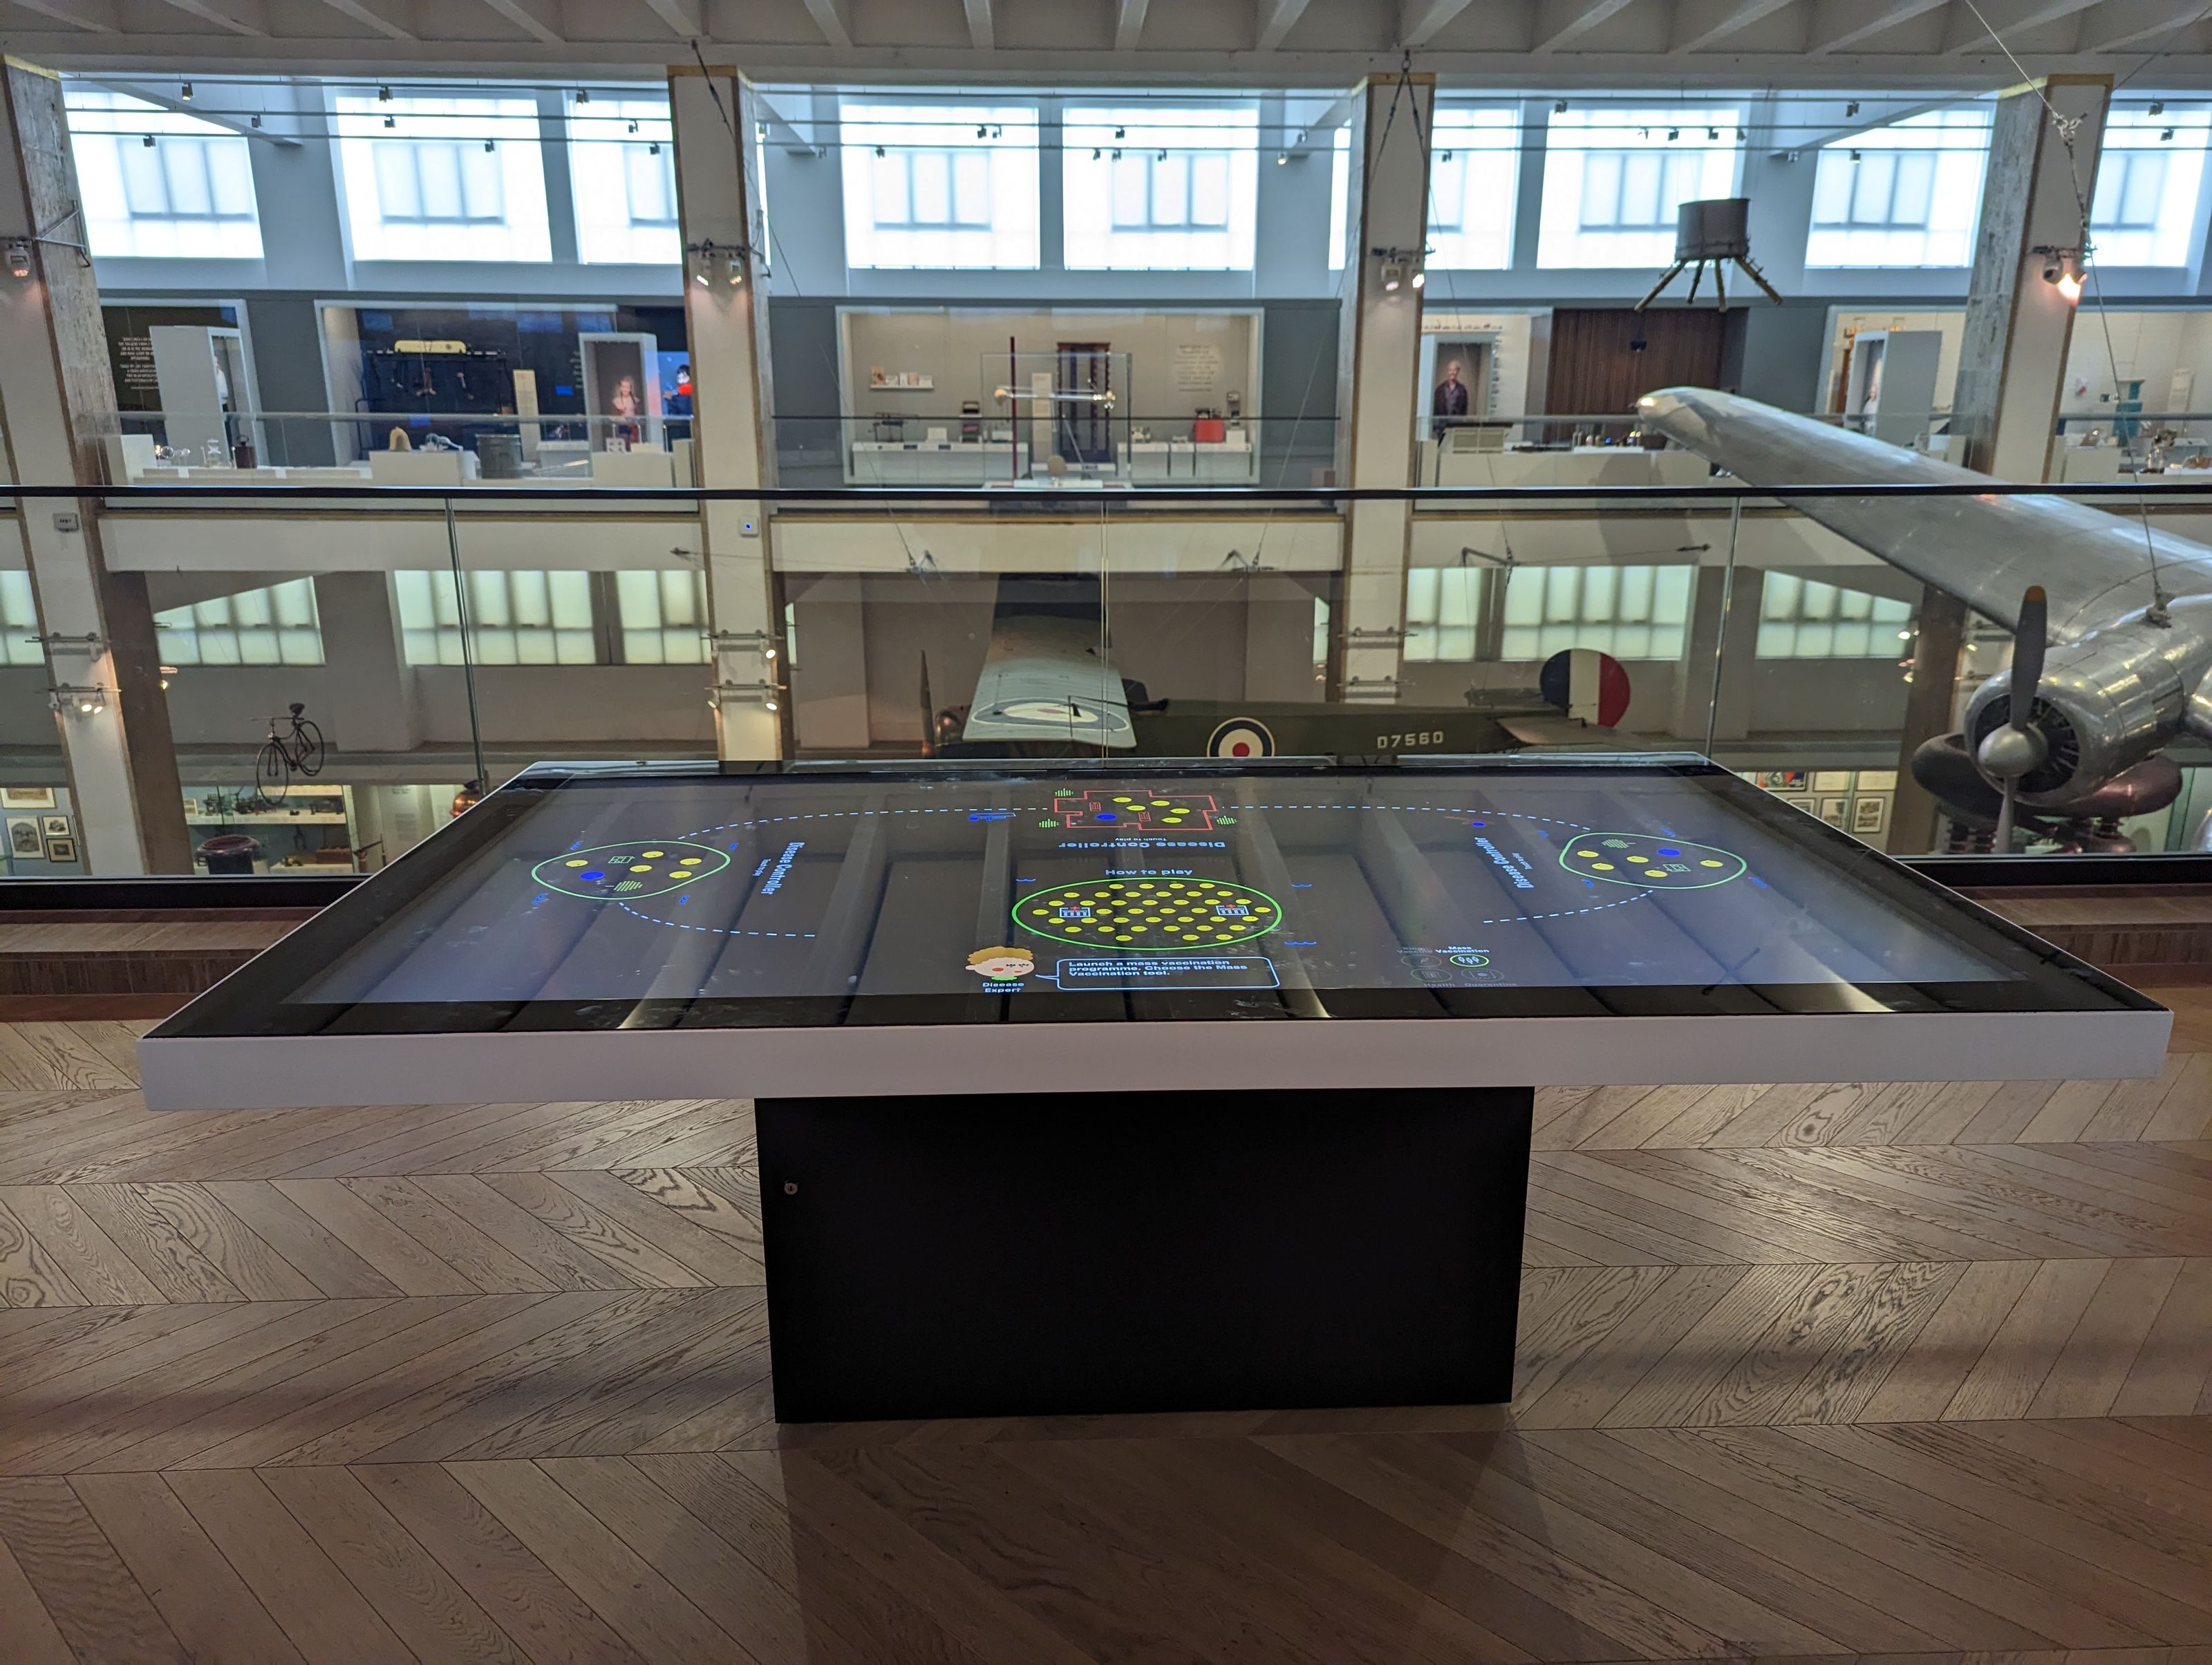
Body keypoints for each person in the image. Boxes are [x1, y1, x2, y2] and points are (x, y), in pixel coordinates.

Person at [1432, 359, 1470, 439]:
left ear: (1458, 372)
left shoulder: (1462, 390)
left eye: (1454, 370)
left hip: (1456, 426)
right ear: (1447, 372)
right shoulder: (1439, 389)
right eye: (1450, 370)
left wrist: (1462, 425)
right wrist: (1435, 427)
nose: (1452, 373)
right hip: (1441, 427)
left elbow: (1464, 410)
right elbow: (1435, 409)